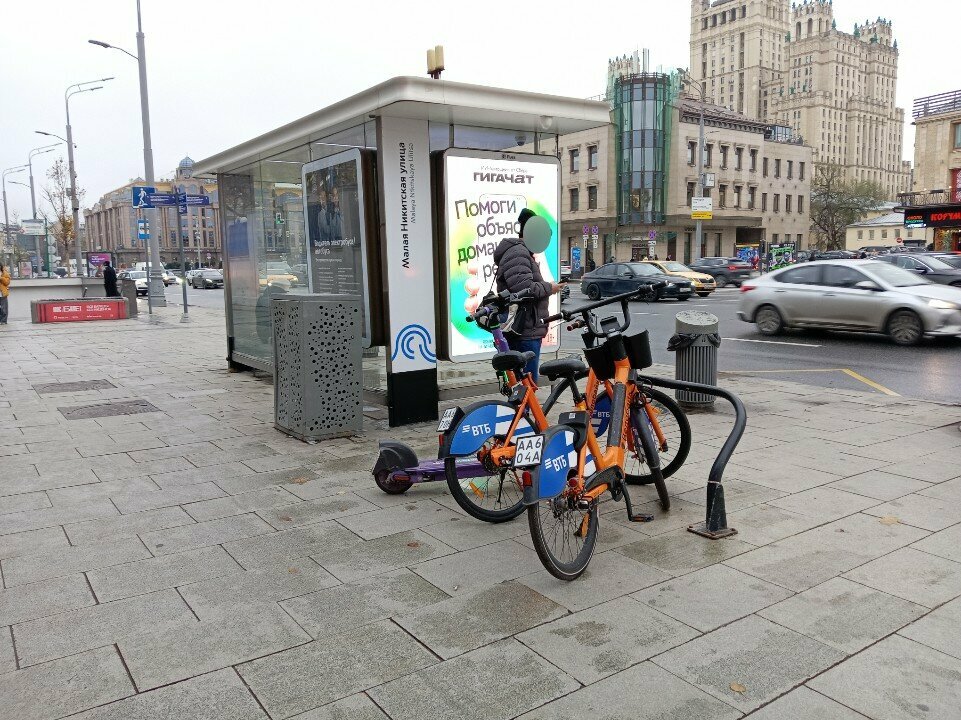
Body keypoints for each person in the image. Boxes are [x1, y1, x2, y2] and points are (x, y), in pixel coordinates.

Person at [493, 209, 563, 383]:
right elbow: (524, 289)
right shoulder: (518, 253)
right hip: (524, 332)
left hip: (525, 329)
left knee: (524, 384)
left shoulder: (522, 253)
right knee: (527, 385)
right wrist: (550, 287)